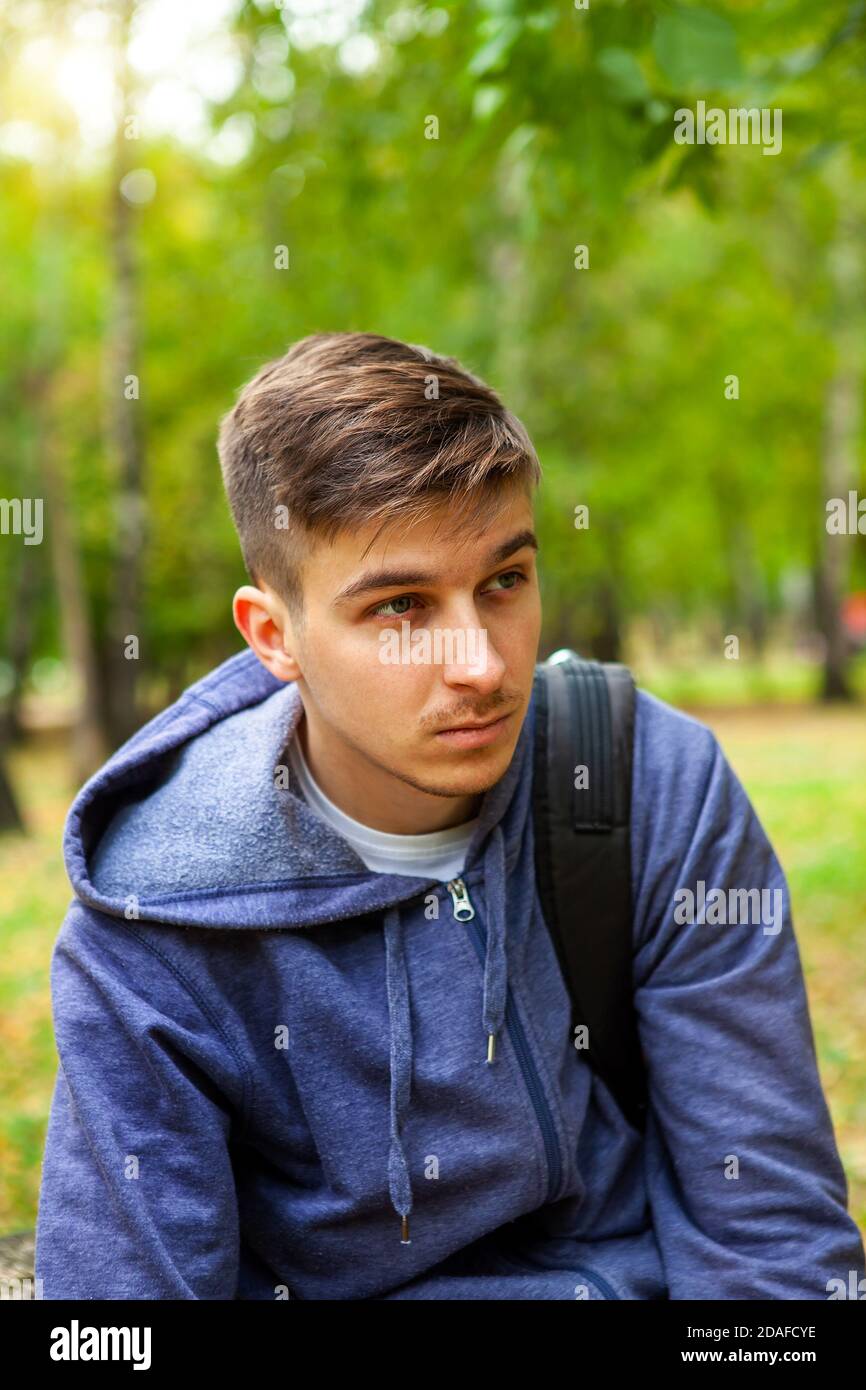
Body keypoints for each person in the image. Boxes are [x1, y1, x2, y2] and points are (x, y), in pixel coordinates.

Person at [35, 331, 865, 1300]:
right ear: (275, 635)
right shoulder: (153, 911)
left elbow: (770, 1244)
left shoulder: (644, 783)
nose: (480, 663)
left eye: (503, 580)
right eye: (399, 607)